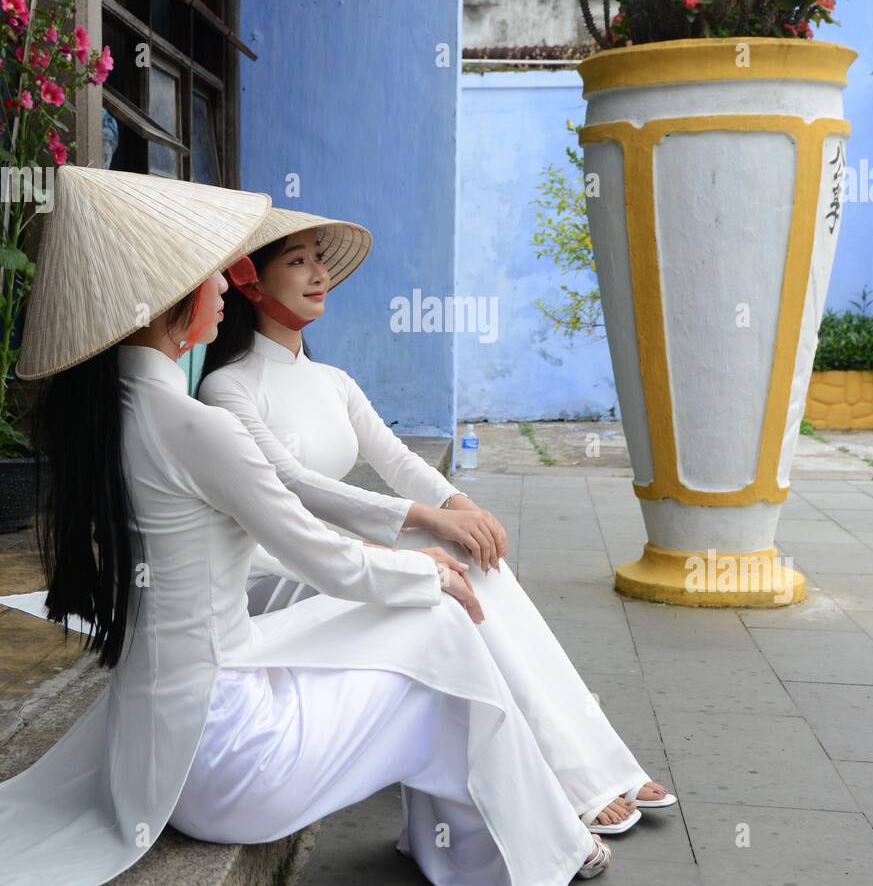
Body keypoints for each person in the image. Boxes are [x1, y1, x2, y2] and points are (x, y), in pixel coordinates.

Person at [0, 165, 611, 886]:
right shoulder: (199, 423)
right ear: (168, 301)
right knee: (442, 634)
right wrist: (422, 570)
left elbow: (328, 519)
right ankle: (511, 848)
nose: (226, 284)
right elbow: (317, 550)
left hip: (155, 749)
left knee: (422, 624)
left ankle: (489, 841)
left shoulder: (116, 414)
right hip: (229, 762)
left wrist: (418, 550)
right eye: (212, 273)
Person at [196, 209, 677, 836]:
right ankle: (571, 776)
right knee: (442, 565)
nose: (318, 274)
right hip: (286, 564)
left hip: (342, 546)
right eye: (297, 261)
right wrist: (426, 520)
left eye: (319, 258)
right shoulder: (226, 389)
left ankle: (592, 761)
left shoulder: (332, 381)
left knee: (476, 561)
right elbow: (293, 485)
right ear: (252, 284)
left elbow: (394, 457)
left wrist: (459, 507)